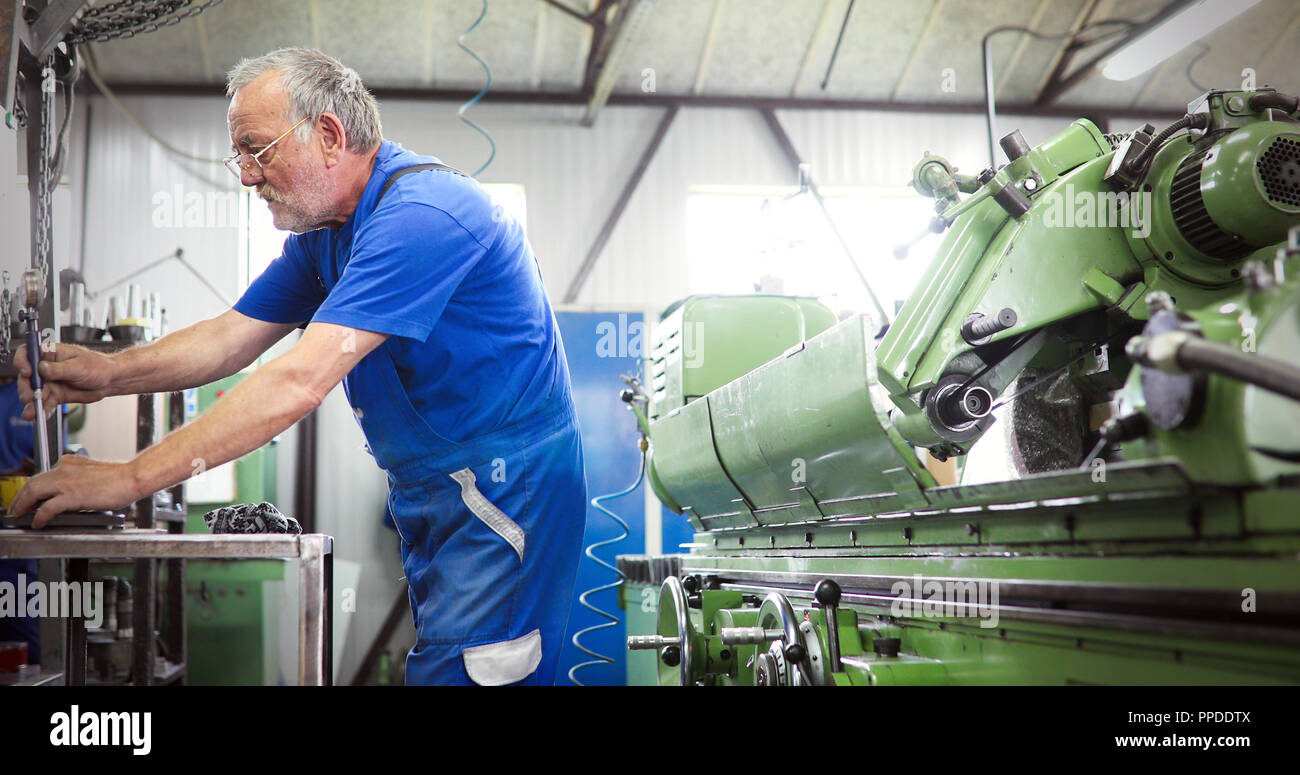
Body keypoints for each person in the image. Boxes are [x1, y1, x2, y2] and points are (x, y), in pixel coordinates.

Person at [10, 48, 588, 686]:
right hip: (437, 489)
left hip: (508, 490)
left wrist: (126, 479)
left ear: (331, 136)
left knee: (482, 674)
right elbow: (229, 337)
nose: (247, 177)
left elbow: (298, 380)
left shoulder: (422, 217)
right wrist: (107, 373)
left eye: (257, 150)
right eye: (241, 155)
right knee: (452, 664)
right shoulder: (327, 235)